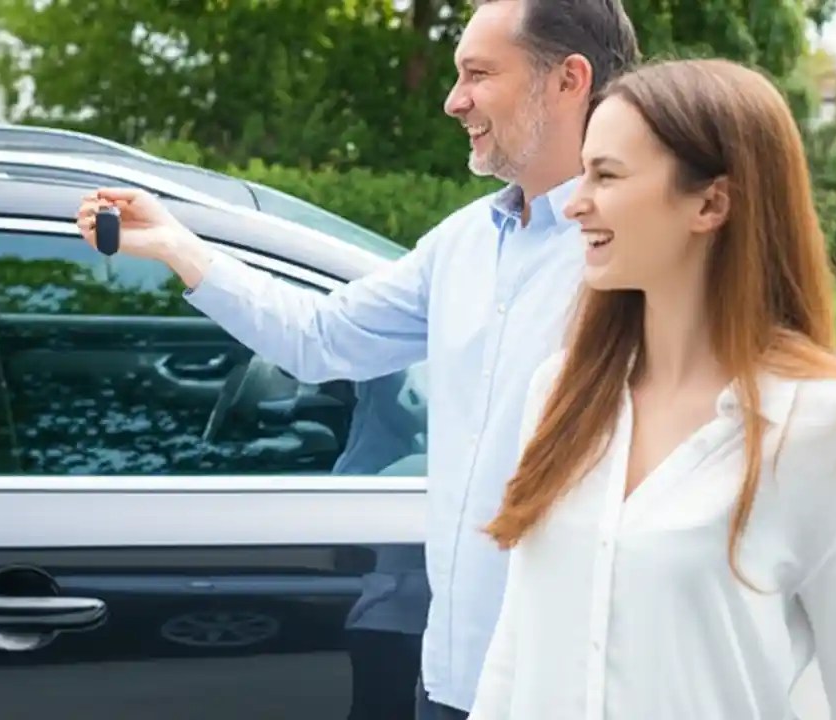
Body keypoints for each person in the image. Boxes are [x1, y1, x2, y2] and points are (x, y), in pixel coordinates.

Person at [76, 1, 640, 716]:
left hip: (582, 691)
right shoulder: (464, 243)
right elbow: (320, 337)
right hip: (459, 677)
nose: (453, 99)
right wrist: (175, 245)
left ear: (569, 80)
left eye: (477, 73)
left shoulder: (639, 251)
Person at [467, 57, 836, 720]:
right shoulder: (559, 391)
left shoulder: (826, 427)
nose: (573, 202)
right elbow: (517, 646)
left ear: (711, 202)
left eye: (608, 175)